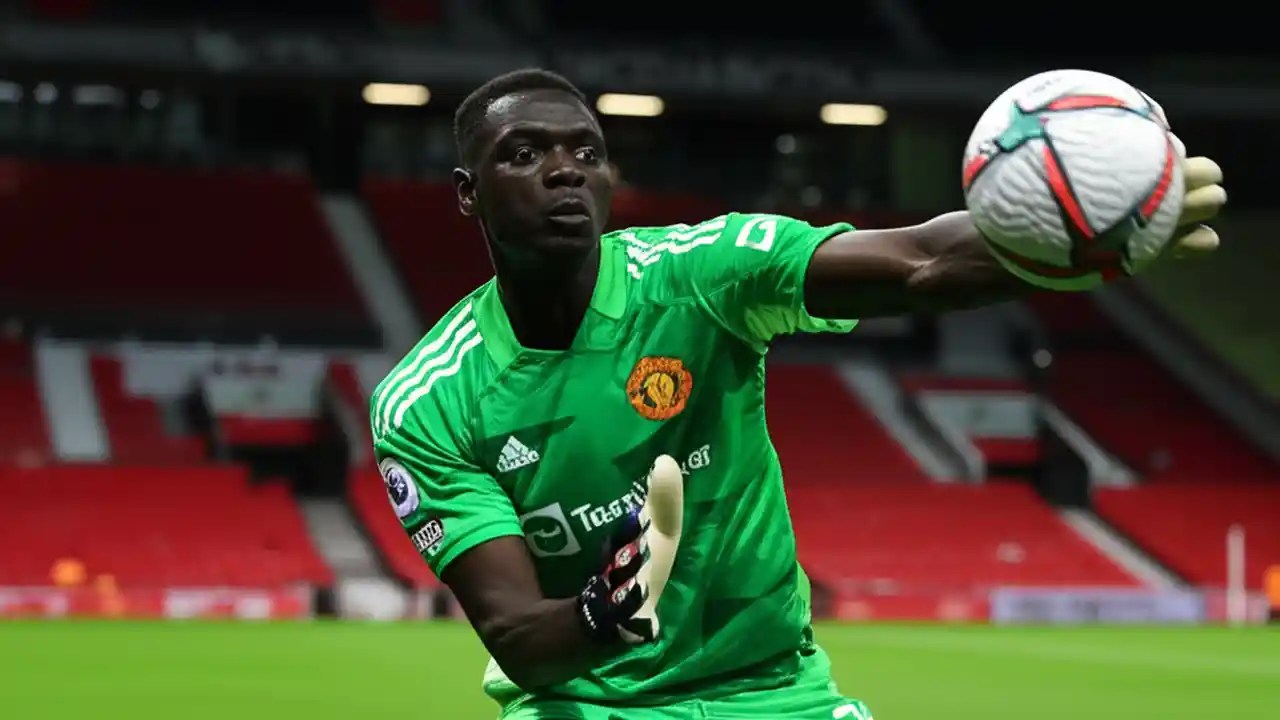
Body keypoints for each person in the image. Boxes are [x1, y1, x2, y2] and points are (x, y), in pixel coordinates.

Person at [368, 68, 1226, 719]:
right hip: (584, 705)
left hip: (775, 693)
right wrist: (608, 607)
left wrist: (1088, 236)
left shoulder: (701, 275)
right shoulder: (429, 401)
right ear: (467, 193)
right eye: (525, 154)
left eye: (586, 152)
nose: (565, 171)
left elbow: (919, 262)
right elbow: (519, 638)